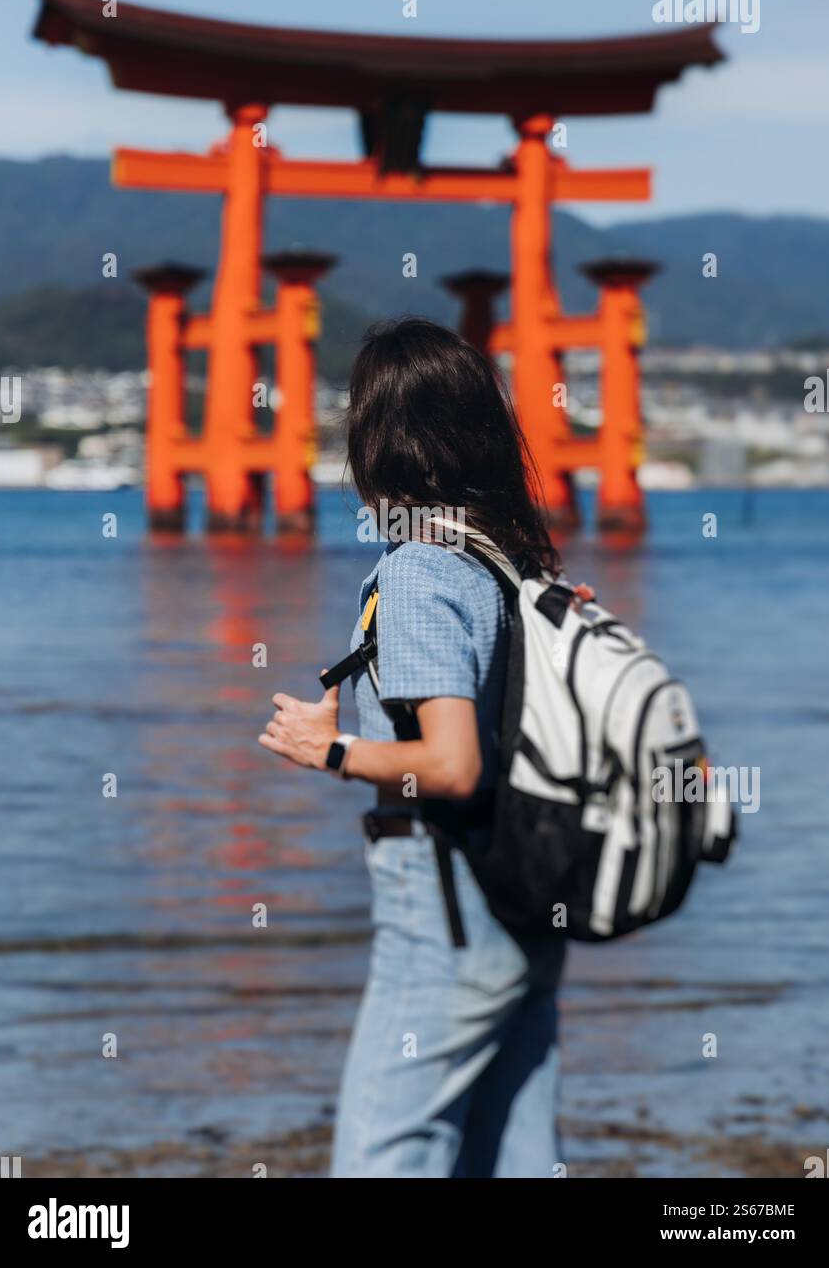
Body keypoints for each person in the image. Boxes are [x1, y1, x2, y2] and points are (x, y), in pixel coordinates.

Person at [259, 317, 567, 1178]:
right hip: (529, 902)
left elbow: (450, 761)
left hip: (449, 911)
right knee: (512, 1156)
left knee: (380, 1157)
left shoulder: (419, 569)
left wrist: (330, 752)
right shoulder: (508, 563)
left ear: (376, 439)